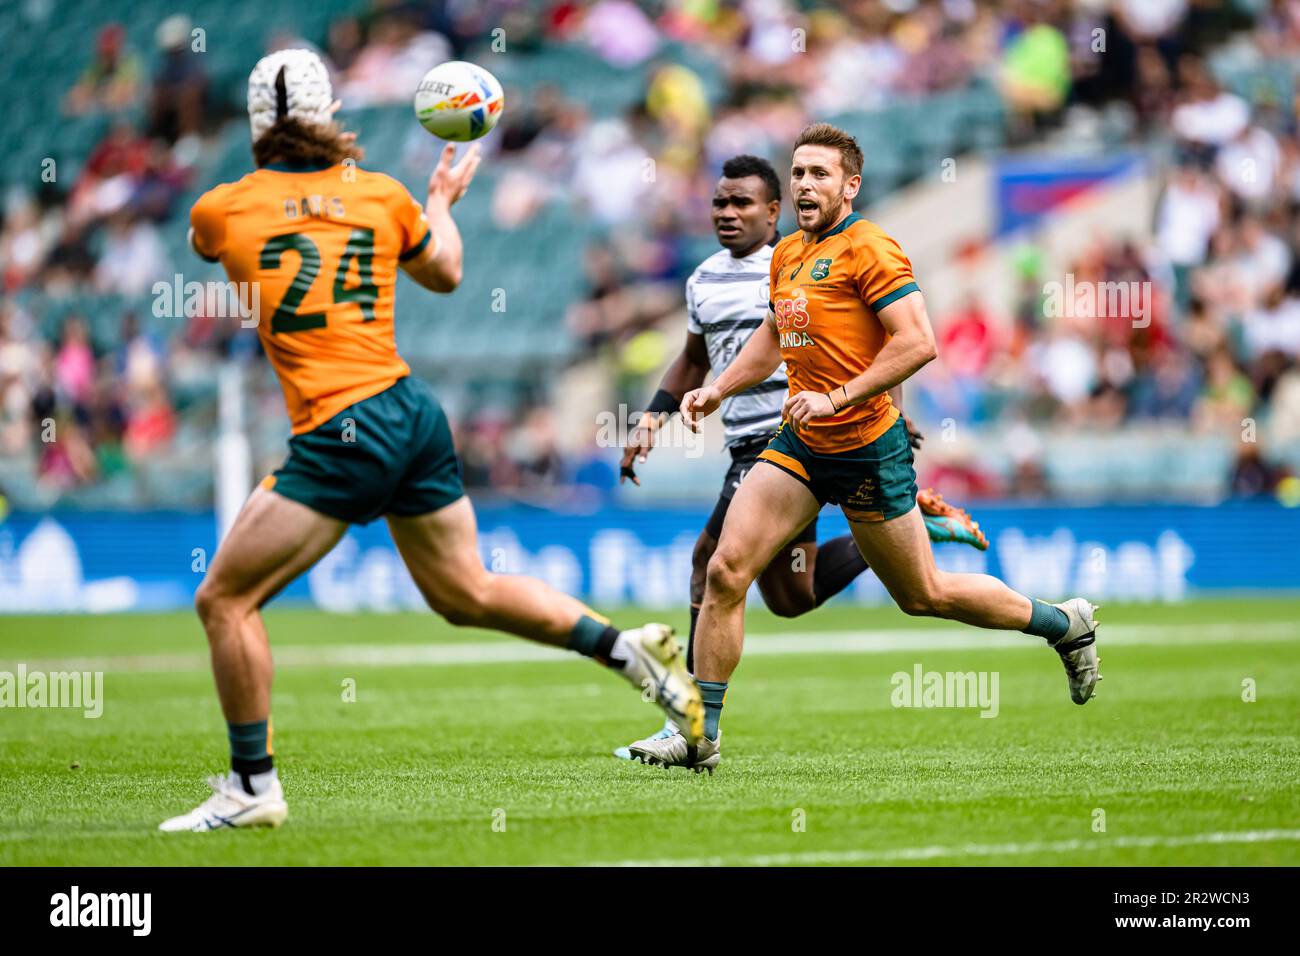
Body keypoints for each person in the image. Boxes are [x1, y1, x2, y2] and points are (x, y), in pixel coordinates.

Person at [159, 49, 700, 832]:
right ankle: (626, 651)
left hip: (341, 427)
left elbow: (225, 243)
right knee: (464, 593)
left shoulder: (219, 210)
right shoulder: (381, 196)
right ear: (331, 115)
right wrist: (440, 200)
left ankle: (252, 787)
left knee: (225, 598)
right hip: (410, 412)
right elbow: (444, 272)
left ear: (256, 127)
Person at [630, 124, 1101, 774]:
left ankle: (1064, 624)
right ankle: (700, 735)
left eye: (819, 174)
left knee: (925, 595)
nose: (804, 185)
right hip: (799, 444)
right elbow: (773, 333)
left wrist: (837, 396)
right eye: (797, 173)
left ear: (850, 185)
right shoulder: (788, 252)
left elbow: (918, 342)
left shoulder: (872, 248)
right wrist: (719, 388)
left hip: (864, 448)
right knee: (724, 570)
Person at [614, 154, 988, 760]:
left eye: (742, 203)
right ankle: (908, 528)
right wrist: (652, 417)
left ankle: (688, 723)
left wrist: (889, 406)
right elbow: (692, 359)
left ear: (773, 210)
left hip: (786, 436)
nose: (727, 213)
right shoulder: (703, 279)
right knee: (791, 596)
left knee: (711, 560)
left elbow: (873, 332)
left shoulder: (800, 256)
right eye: (718, 203)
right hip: (748, 437)